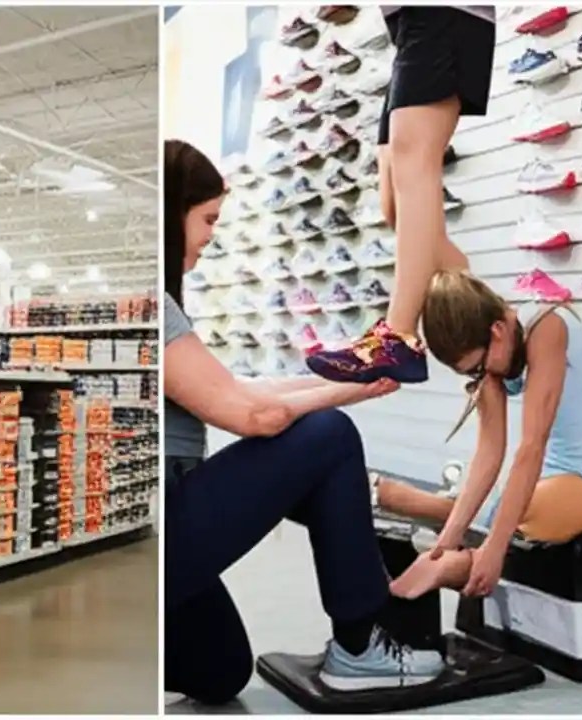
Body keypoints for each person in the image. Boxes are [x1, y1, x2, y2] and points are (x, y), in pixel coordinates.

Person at [163, 139, 443, 701]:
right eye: (207, 219)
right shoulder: (156, 306)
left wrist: (350, 381)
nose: (212, 234)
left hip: (162, 525)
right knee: (328, 437)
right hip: (159, 529)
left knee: (219, 671)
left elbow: (239, 389)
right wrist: (341, 401)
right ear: (173, 213)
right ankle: (358, 646)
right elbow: (255, 413)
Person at [374, 270, 582, 599]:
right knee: (497, 506)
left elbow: (531, 446)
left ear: (497, 331)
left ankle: (450, 564)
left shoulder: (547, 325)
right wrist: (446, 541)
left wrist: (494, 548)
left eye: (478, 368)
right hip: (545, 479)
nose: (480, 376)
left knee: (512, 514)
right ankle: (442, 550)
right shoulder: (493, 353)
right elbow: (490, 453)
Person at [307, 6, 496, 385]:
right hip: (408, 26)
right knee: (395, 204)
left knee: (414, 164)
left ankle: (398, 337)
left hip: (442, 14)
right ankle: (494, 324)